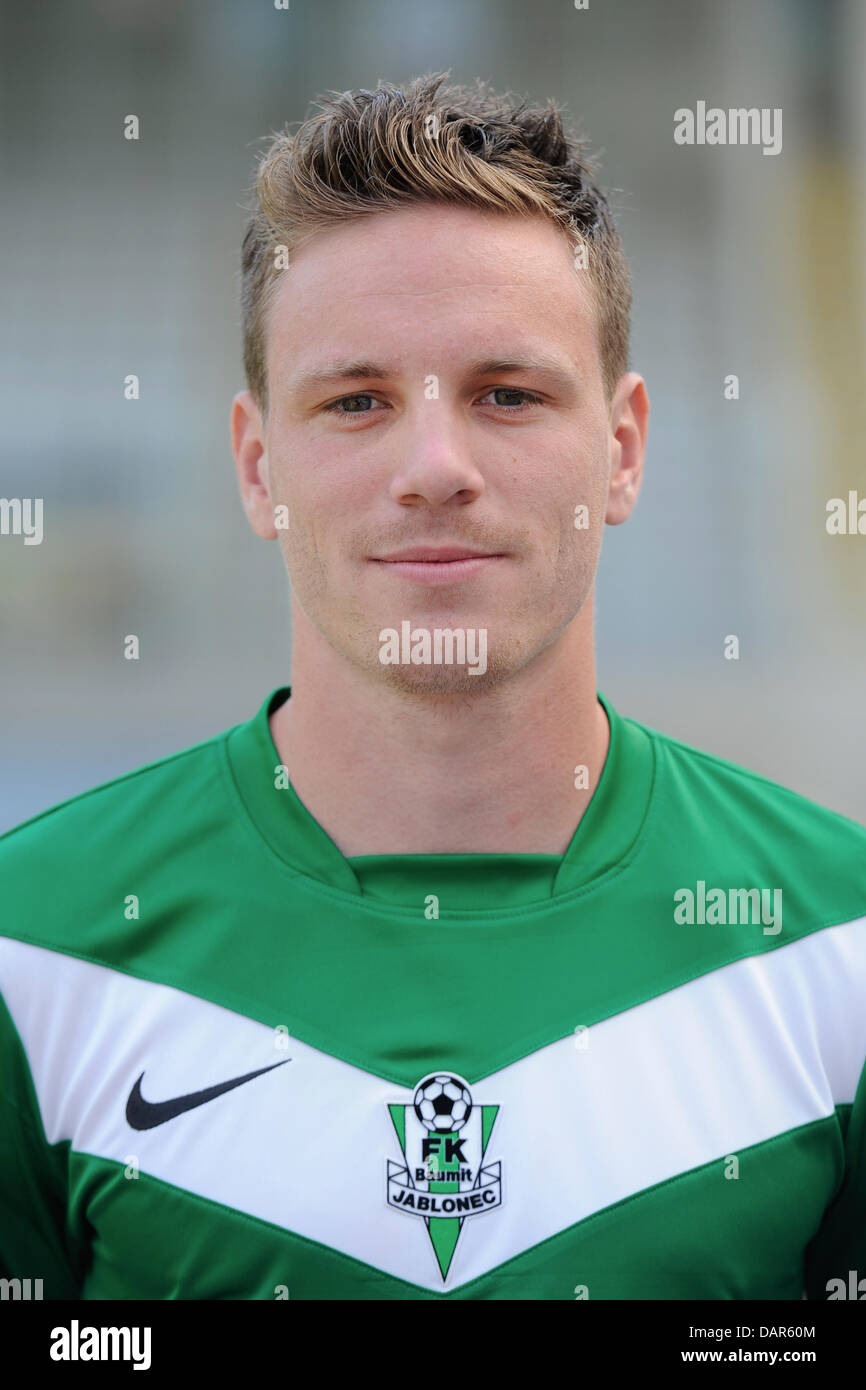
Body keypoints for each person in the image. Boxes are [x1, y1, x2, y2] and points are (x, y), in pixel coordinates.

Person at [1, 72, 864, 1301]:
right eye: (355, 401)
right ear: (258, 467)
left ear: (620, 449)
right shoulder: (30, 949)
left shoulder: (837, 941)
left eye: (505, 395)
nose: (433, 467)